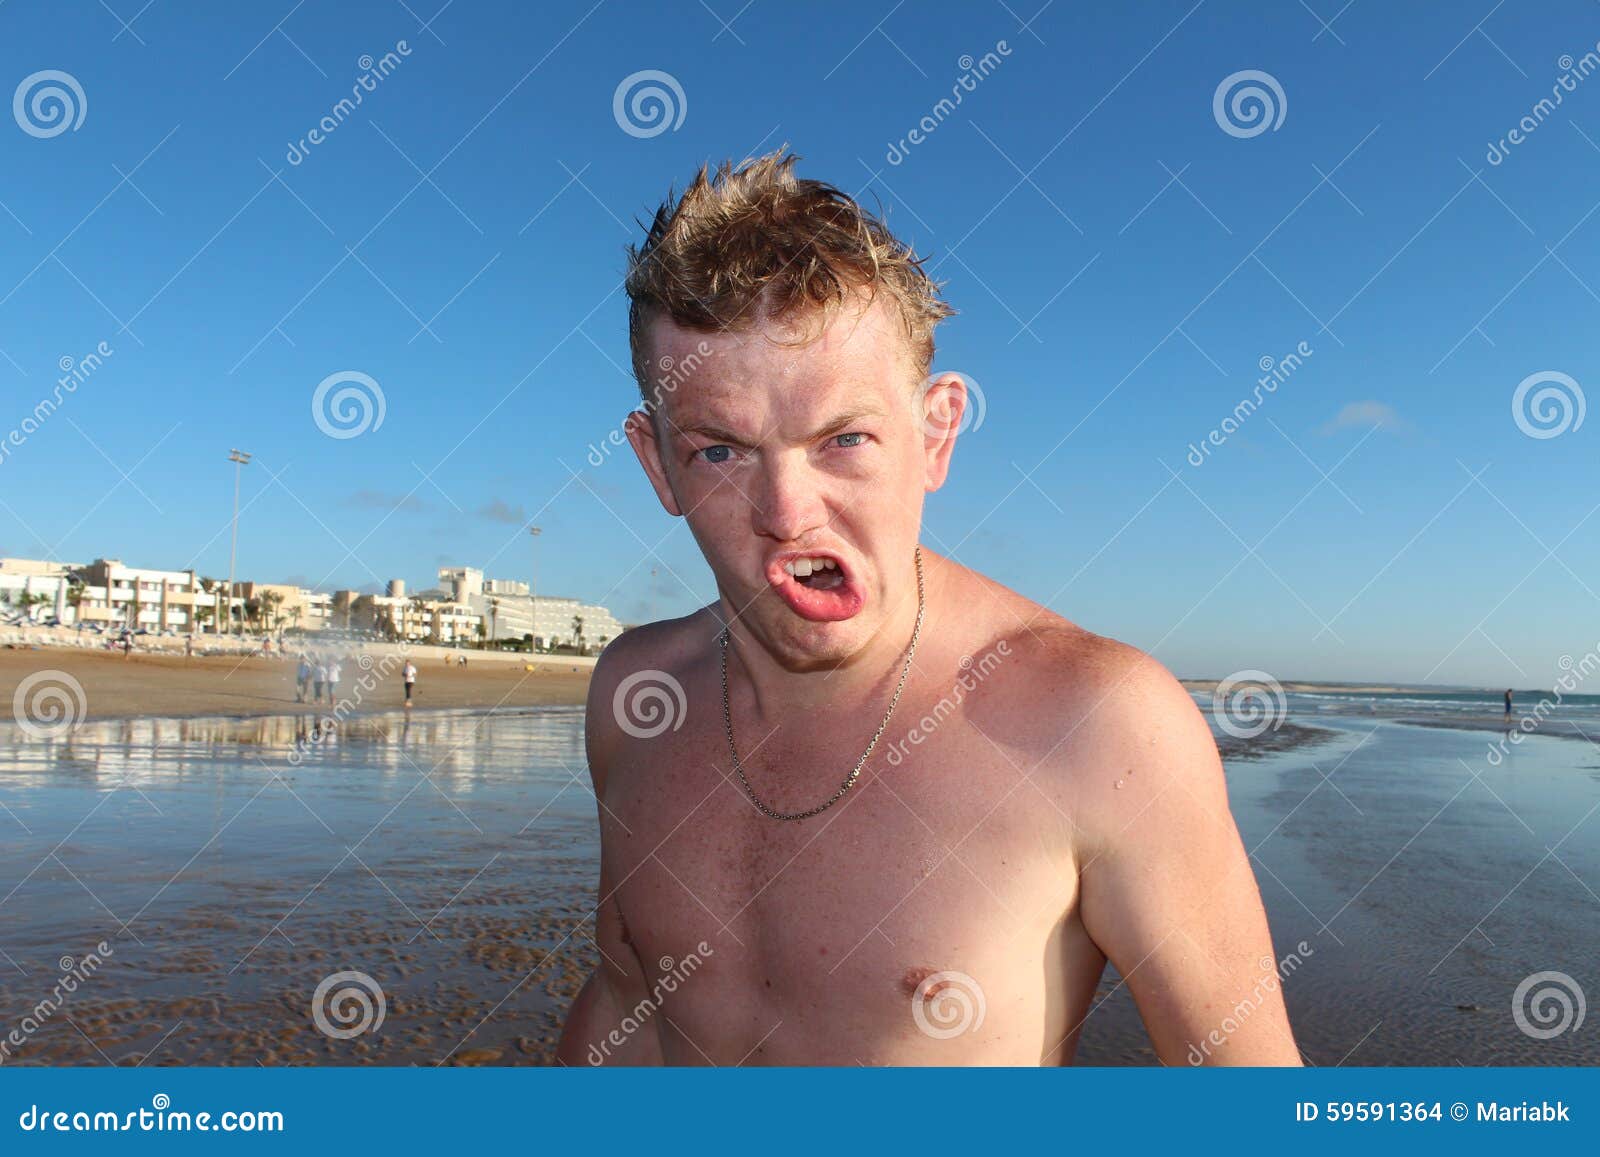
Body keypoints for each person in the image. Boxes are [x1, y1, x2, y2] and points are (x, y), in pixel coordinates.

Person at [557, 150, 1301, 1068]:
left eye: (845, 438)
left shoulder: (1099, 725)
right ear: (656, 461)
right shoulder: (635, 697)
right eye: (720, 451)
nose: (787, 512)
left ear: (937, 433)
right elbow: (624, 997)